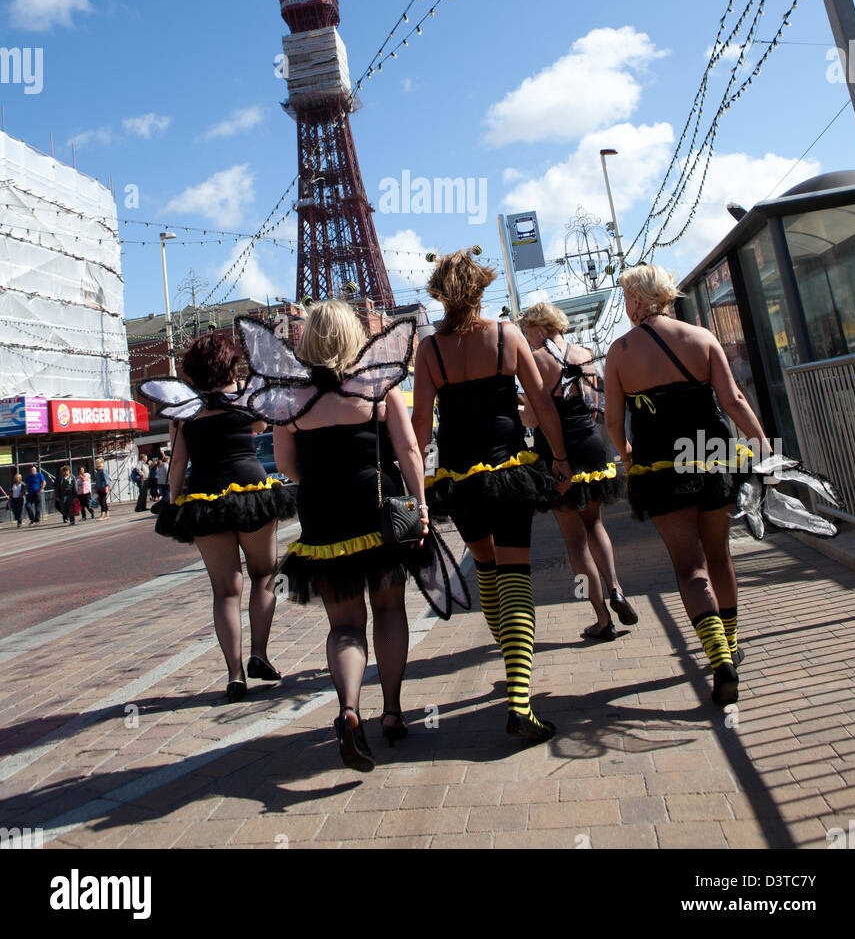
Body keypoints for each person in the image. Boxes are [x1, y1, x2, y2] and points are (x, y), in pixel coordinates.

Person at [412, 250, 571, 744]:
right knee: (516, 572)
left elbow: (420, 425)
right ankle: (520, 700)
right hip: (509, 469)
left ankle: (512, 669)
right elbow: (540, 400)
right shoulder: (506, 335)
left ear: (440, 293)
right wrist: (560, 459)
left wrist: (415, 485)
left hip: (458, 478)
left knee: (485, 570)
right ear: (480, 290)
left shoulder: (429, 350)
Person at [274, 301, 430, 773]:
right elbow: (407, 451)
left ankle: (347, 711)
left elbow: (287, 468)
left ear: (307, 342)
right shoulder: (379, 387)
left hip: (323, 515)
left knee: (343, 626)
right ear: (354, 337)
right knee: (389, 607)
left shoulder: (292, 402)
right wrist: (421, 504)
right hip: (377, 509)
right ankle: (393, 712)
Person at [604, 265, 770, 707]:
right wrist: (761, 446)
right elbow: (733, 399)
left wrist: (628, 457)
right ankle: (732, 644)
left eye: (626, 299)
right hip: (712, 455)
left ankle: (719, 661)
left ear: (637, 301)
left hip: (660, 465)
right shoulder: (701, 337)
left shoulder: (620, 352)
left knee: (689, 568)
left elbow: (613, 420)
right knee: (719, 554)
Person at [153, 331, 295, 702]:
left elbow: (178, 463)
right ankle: (259, 654)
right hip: (252, 491)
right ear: (229, 365)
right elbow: (262, 427)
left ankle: (234, 675)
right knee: (265, 574)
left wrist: (173, 502)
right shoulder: (245, 398)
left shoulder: (184, 412)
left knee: (225, 591)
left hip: (204, 496)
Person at [518, 302, 638, 641]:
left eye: (527, 330)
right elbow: (596, 403)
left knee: (574, 541)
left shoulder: (535, 360)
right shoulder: (583, 354)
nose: (526, 337)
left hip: (556, 451)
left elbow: (532, 419)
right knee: (595, 523)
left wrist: (521, 405)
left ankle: (601, 618)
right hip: (589, 441)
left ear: (539, 328)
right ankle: (615, 586)